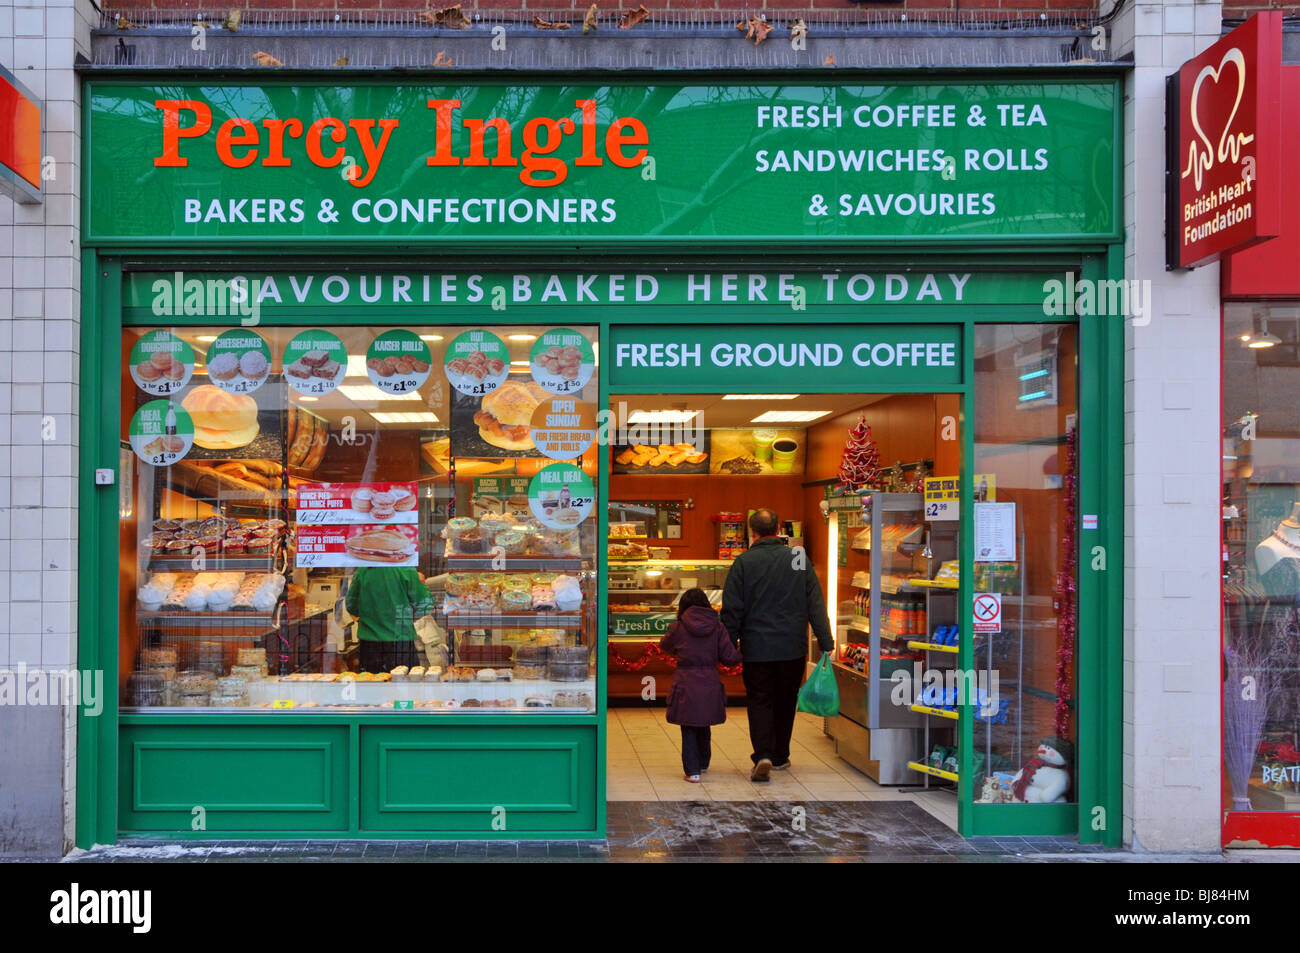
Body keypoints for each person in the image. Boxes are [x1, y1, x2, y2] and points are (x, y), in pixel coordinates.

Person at [721, 508, 834, 782]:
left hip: (757, 648)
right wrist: (826, 640)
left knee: (760, 701)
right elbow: (815, 603)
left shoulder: (744, 562)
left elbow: (732, 609)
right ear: (778, 528)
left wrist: (726, 645)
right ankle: (781, 755)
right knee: (785, 700)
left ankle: (763, 755)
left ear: (752, 532)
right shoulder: (797, 559)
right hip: (792, 648)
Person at [659, 588, 742, 782]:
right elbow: (730, 658)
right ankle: (703, 763)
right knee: (704, 723)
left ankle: (692, 771)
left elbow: (664, 646)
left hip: (685, 682)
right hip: (710, 681)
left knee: (688, 726)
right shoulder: (718, 627)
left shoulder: (678, 627)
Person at [344, 566, 434, 673]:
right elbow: (425, 605)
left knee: (371, 686)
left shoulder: (363, 570)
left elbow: (351, 606)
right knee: (404, 686)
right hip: (400, 644)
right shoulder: (405, 569)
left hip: (369, 646)